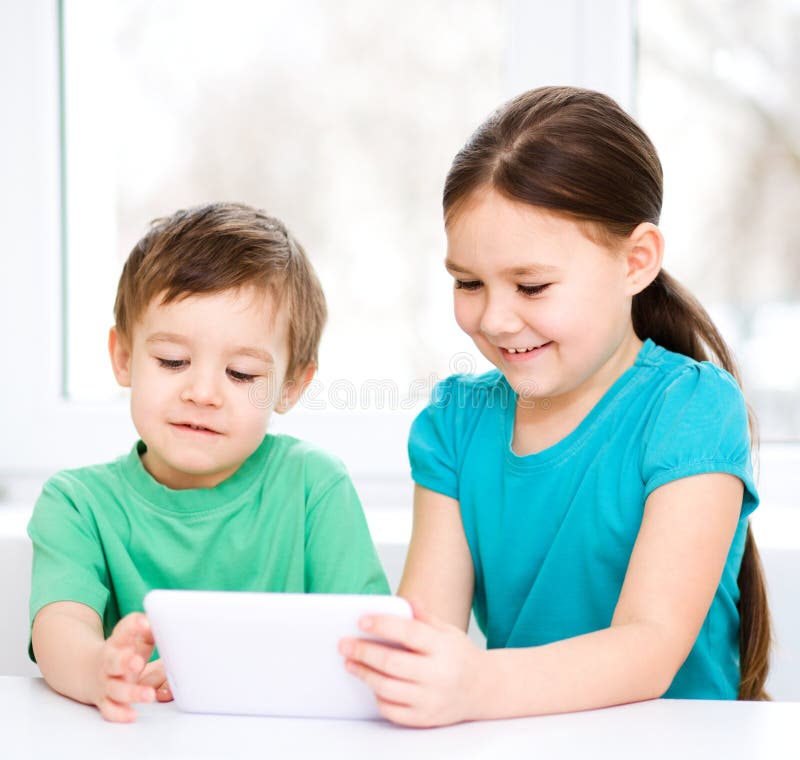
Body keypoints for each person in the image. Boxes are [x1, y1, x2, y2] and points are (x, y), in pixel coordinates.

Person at [339, 86, 772, 726]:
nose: (495, 318)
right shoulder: (455, 426)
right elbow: (424, 631)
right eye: (468, 283)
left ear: (636, 261)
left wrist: (476, 685)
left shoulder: (691, 407)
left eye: (532, 285)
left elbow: (649, 649)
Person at [29, 202, 389, 722]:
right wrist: (96, 670)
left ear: (290, 386)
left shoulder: (313, 486)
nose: (202, 392)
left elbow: (366, 639)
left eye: (241, 373)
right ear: (124, 357)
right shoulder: (77, 505)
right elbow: (60, 624)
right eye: (173, 362)